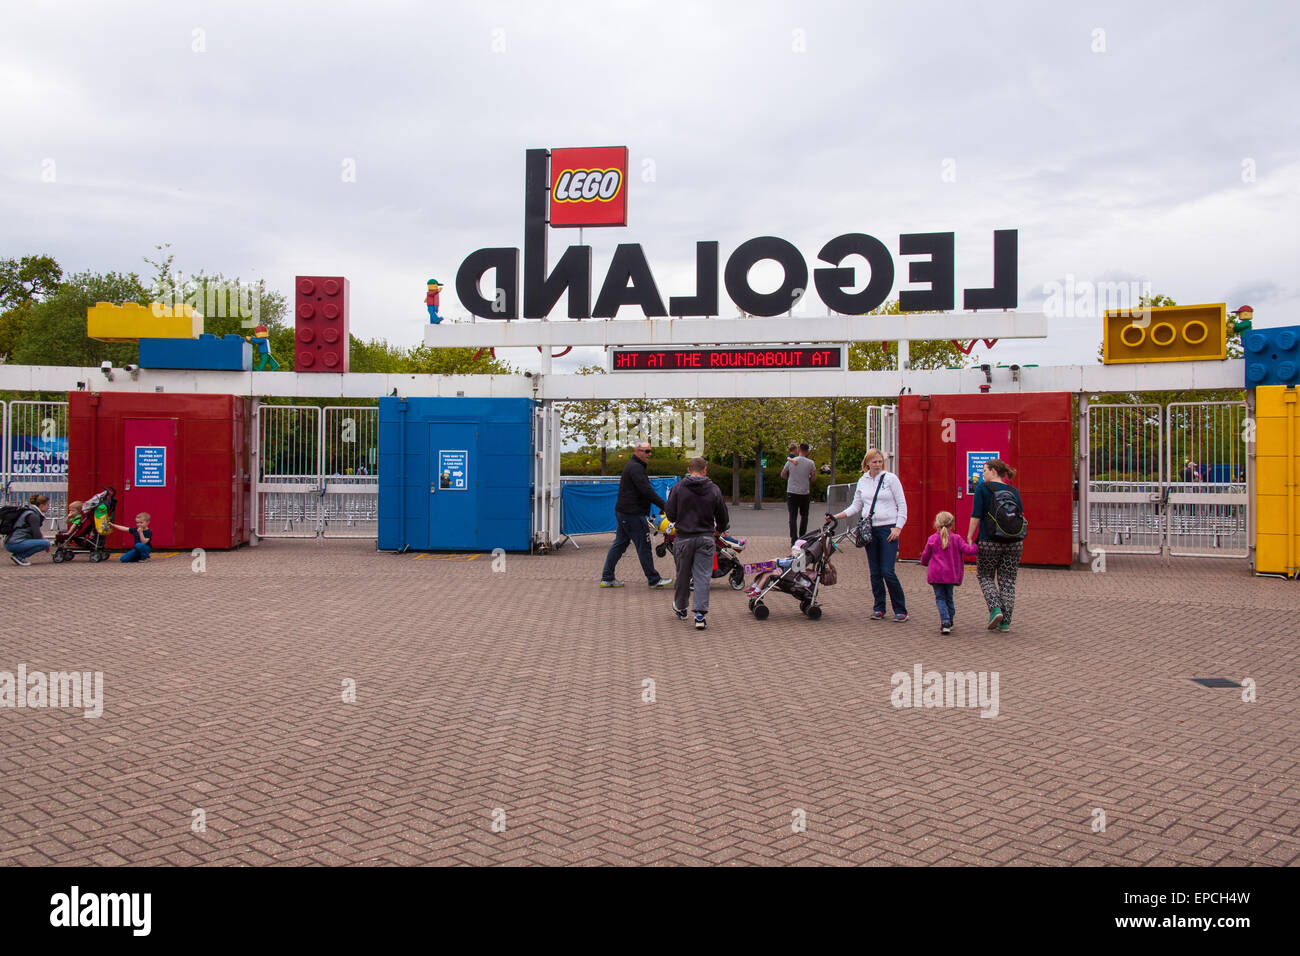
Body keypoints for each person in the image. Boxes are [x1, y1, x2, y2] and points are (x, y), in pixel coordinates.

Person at [830, 448, 908, 621]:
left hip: (888, 528)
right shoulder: (863, 481)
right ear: (867, 464)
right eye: (874, 462)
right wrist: (836, 516)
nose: (878, 465)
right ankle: (879, 607)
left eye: (880, 461)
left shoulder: (891, 479)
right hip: (870, 529)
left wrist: (898, 527)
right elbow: (856, 506)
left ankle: (900, 609)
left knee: (888, 571)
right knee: (875, 572)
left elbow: (902, 504)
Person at [665, 457, 730, 630]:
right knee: (702, 576)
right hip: (706, 538)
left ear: (688, 468)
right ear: (705, 469)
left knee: (683, 574)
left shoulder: (678, 488)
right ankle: (700, 614)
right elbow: (723, 516)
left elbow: (670, 514)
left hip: (684, 537)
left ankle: (681, 606)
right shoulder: (714, 489)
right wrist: (719, 530)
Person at [600, 441, 673, 589]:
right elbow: (646, 490)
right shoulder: (635, 468)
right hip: (632, 514)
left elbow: (644, 490)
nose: (649, 454)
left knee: (620, 544)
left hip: (625, 512)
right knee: (644, 545)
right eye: (646, 451)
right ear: (637, 451)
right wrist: (665, 506)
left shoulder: (635, 466)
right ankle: (653, 579)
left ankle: (607, 577)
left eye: (650, 451)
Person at [967, 459, 1024, 632]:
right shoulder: (1013, 491)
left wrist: (970, 536)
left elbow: (976, 515)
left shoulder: (983, 489)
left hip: (990, 541)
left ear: (993, 471)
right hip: (1014, 542)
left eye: (984, 470)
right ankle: (1005, 622)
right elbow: (1019, 513)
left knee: (985, 576)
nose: (982, 473)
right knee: (1008, 581)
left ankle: (995, 609)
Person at [918, 511, 978, 635]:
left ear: (937, 524)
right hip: (951, 575)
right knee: (949, 597)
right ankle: (950, 620)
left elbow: (925, 555)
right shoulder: (957, 539)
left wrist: (923, 563)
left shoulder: (932, 539)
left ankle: (945, 621)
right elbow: (968, 550)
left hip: (936, 575)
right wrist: (977, 545)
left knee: (940, 598)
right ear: (952, 525)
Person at [781, 442, 816, 545]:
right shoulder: (811, 463)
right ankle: (802, 538)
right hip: (804, 492)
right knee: (804, 516)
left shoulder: (791, 461)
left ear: (799, 450)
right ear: (807, 451)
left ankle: (793, 538)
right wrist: (809, 476)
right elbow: (813, 478)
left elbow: (783, 474)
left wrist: (790, 478)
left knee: (793, 516)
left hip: (792, 491)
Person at [5, 494, 52, 566]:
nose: (48, 507)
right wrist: (45, 544)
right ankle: (19, 557)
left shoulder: (28, 511)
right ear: (41, 505)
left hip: (10, 542)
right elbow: (36, 534)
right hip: (15, 543)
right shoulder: (33, 515)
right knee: (46, 543)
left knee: (44, 542)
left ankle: (18, 555)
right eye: (47, 505)